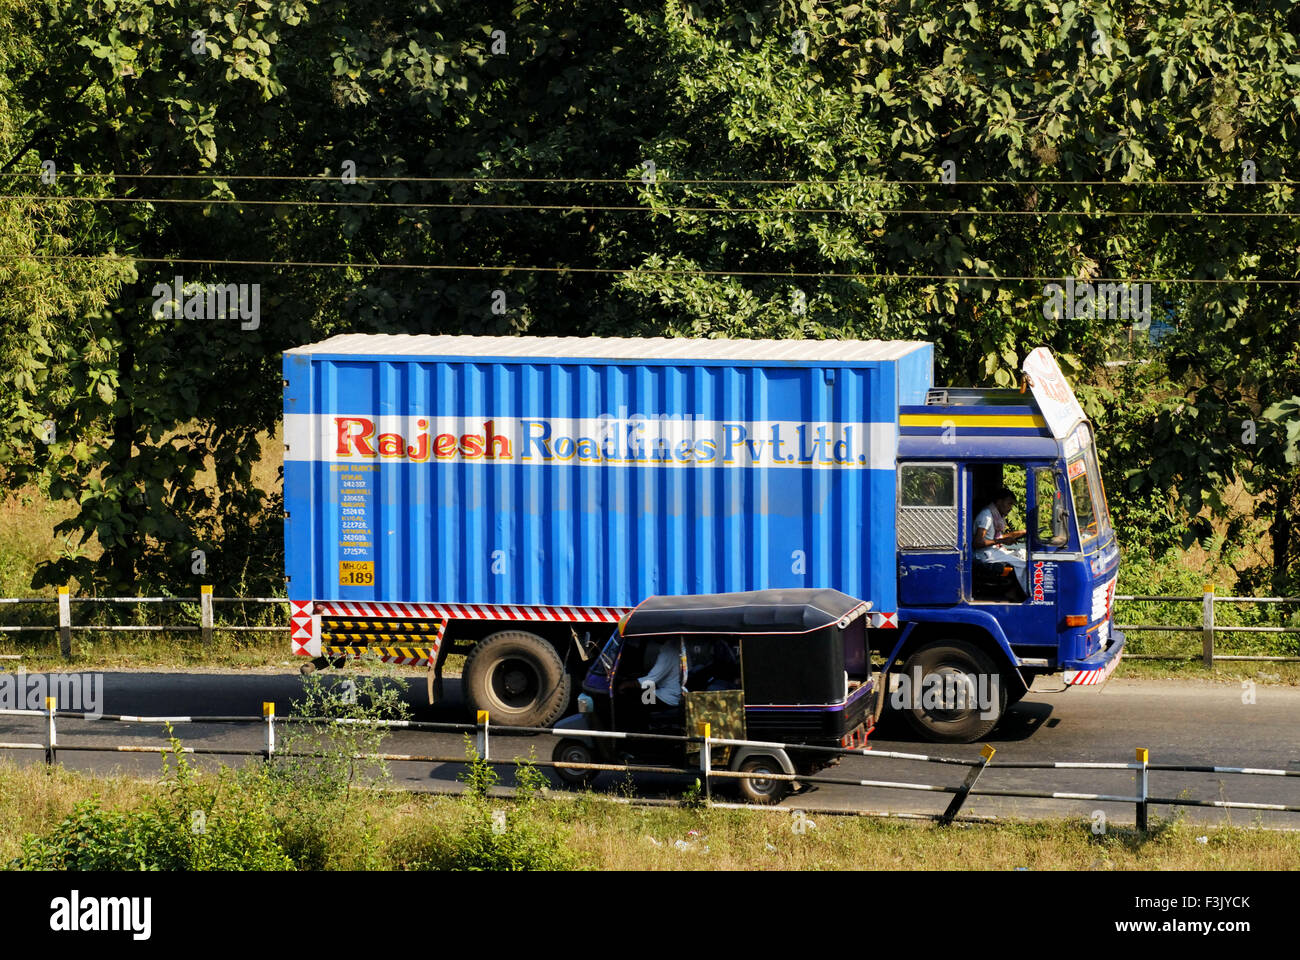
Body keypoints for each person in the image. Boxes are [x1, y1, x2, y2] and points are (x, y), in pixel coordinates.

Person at [974, 487, 1027, 596]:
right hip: (985, 555)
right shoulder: (986, 516)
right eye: (1009, 503)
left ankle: (1013, 591)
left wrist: (1019, 533)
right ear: (999, 502)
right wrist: (1001, 540)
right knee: (1024, 564)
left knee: (1023, 553)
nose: (1010, 508)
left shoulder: (995, 515)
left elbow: (997, 537)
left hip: (993, 551)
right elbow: (977, 543)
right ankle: (1022, 594)